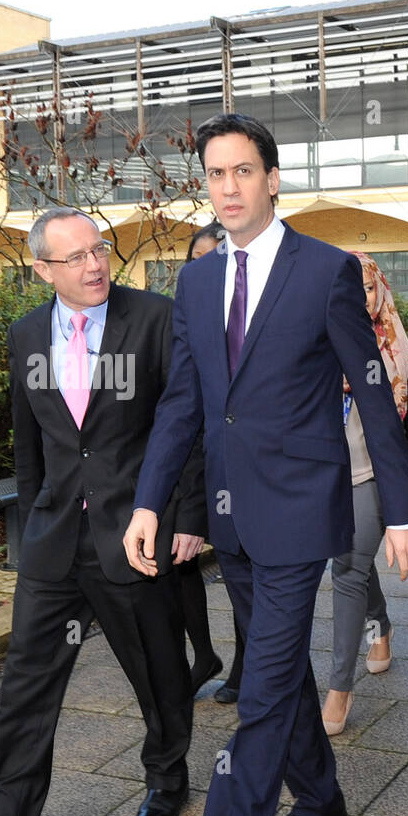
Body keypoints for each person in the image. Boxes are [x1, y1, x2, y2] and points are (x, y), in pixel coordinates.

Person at [123, 113, 408, 816]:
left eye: (242, 171)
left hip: (300, 515)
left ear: (273, 178)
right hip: (231, 519)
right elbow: (184, 403)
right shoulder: (196, 282)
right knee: (282, 671)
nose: (227, 188)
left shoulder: (326, 271)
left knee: (257, 697)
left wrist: (401, 507)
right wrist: (151, 503)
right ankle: (321, 799)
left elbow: (372, 391)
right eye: (215, 173)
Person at [0, 208, 206, 816]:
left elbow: (189, 424)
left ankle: (167, 779)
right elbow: (31, 445)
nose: (95, 265)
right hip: (53, 543)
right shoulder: (25, 333)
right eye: (76, 257)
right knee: (24, 688)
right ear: (43, 269)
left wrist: (189, 519)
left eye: (100, 250)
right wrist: (34, 520)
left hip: (133, 533)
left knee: (158, 668)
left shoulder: (155, 318)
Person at [319, 252, 408, 736]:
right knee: (353, 562)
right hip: (322, 473)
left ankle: (339, 687)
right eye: (348, 288)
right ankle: (379, 623)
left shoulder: (399, 349)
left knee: (347, 569)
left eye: (364, 287)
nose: (358, 297)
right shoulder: (319, 340)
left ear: (379, 288)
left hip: (373, 473)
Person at [177, 221, 227, 696]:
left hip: (238, 475)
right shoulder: (182, 323)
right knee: (180, 562)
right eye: (195, 262)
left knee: (242, 575)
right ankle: (205, 655)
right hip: (194, 470)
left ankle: (250, 668)